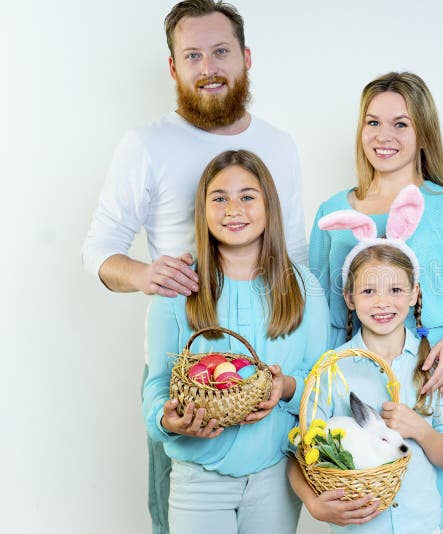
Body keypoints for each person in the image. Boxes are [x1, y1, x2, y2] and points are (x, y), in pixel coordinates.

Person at [82, 2, 306, 531]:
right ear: (174, 67)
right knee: (176, 511)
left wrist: (292, 374)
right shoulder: (146, 144)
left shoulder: (279, 144)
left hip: (267, 369)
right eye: (193, 55)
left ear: (246, 58)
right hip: (183, 370)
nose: (209, 67)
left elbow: (295, 257)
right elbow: (98, 247)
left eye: (221, 51)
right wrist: (143, 275)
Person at [309, 72, 443, 532]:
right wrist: (315, 388)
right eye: (373, 123)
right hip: (354, 379)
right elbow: (323, 314)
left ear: (423, 132)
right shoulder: (333, 211)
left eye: (401, 124)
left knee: (424, 505)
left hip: (427, 376)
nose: (383, 136)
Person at [143, 150, 328, 534]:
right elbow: (158, 382)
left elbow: (321, 381)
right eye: (219, 198)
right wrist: (167, 419)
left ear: (268, 206)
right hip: (198, 476)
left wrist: (287, 386)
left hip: (275, 472)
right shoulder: (179, 287)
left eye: (247, 196)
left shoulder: (303, 288)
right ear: (203, 209)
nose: (233, 209)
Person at [290, 185, 443, 533]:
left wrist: (419, 429)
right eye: (369, 291)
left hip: (421, 524)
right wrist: (313, 504)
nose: (383, 303)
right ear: (350, 298)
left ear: (415, 293)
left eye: (396, 290)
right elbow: (301, 448)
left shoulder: (436, 362)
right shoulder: (333, 368)